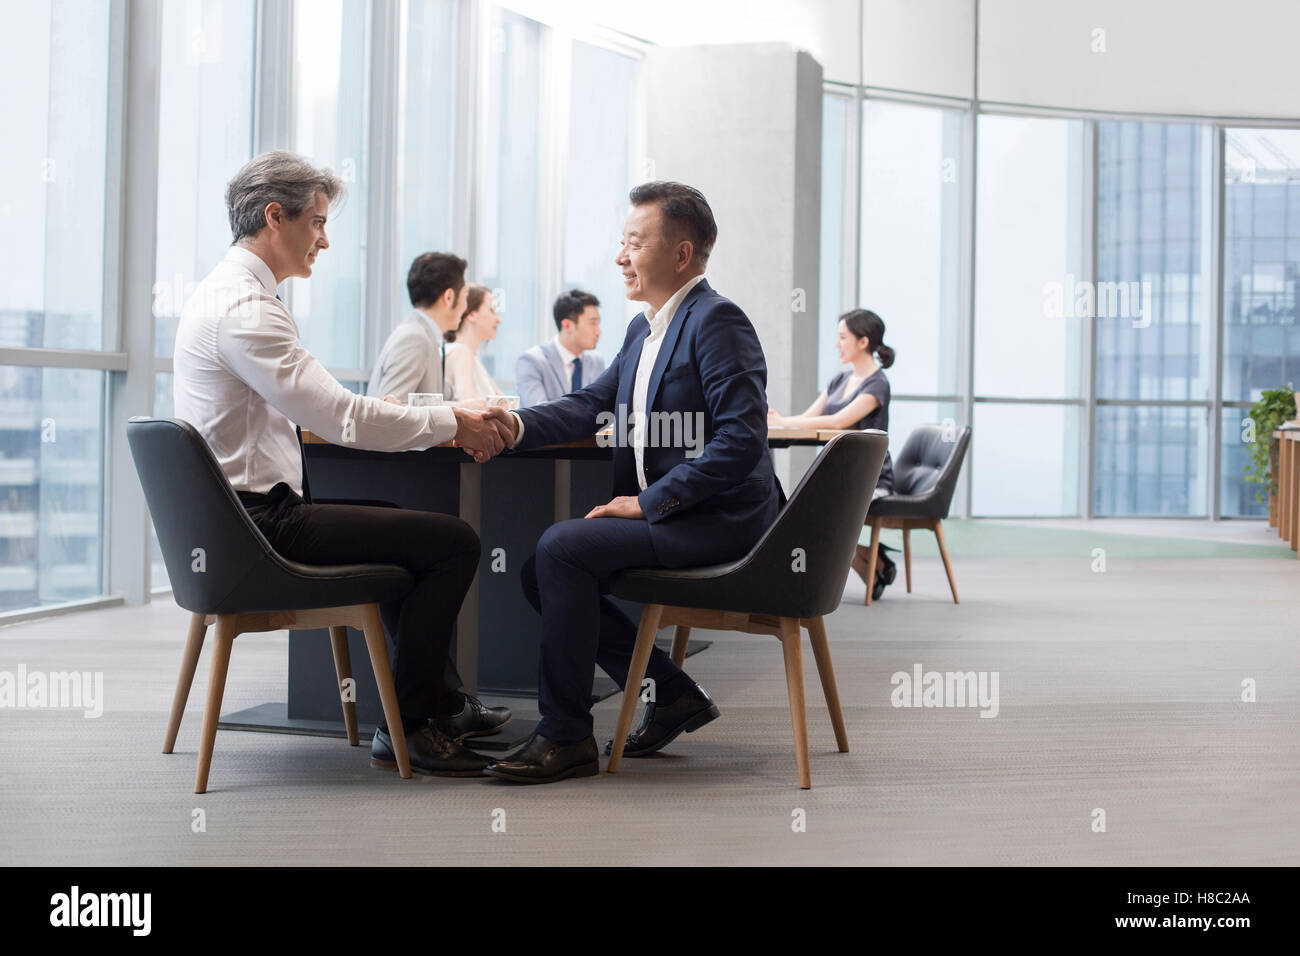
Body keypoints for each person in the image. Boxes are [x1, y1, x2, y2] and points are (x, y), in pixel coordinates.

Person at [173, 151, 516, 776]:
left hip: (242, 519)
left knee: (403, 529)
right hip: (259, 529)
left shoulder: (230, 294)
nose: (325, 241)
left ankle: (435, 704)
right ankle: (411, 724)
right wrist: (451, 421)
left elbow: (318, 408)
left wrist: (364, 409)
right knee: (454, 542)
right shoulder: (245, 310)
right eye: (318, 223)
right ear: (276, 217)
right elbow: (344, 420)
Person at [480, 182, 783, 785]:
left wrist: (650, 503)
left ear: (681, 254)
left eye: (634, 243)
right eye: (621, 242)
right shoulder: (644, 330)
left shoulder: (717, 320)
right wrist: (513, 425)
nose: (620, 256)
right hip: (679, 517)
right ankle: (670, 693)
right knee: (544, 569)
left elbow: (740, 438)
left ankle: (565, 736)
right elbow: (593, 404)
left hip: (722, 520)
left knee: (561, 549)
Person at [767, 309, 898, 599]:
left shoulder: (877, 384)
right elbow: (808, 417)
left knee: (809, 517)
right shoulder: (840, 380)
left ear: (863, 342)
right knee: (797, 514)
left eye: (842, 337)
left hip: (869, 478)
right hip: (837, 473)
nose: (837, 344)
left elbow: (840, 422)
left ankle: (871, 562)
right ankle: (873, 561)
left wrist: (783, 423)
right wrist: (781, 421)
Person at [366, 253, 466, 401]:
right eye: (465, 296)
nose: (466, 305)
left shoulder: (426, 336)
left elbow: (445, 397)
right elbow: (388, 413)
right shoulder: (415, 339)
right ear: (449, 297)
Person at [515, 289, 607, 406]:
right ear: (567, 325)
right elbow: (537, 415)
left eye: (598, 324)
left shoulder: (596, 361)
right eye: (592, 323)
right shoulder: (531, 362)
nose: (598, 331)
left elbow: (603, 408)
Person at [442, 283, 503, 401]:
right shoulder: (460, 353)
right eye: (492, 310)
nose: (498, 319)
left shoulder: (471, 357)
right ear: (471, 315)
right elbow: (470, 408)